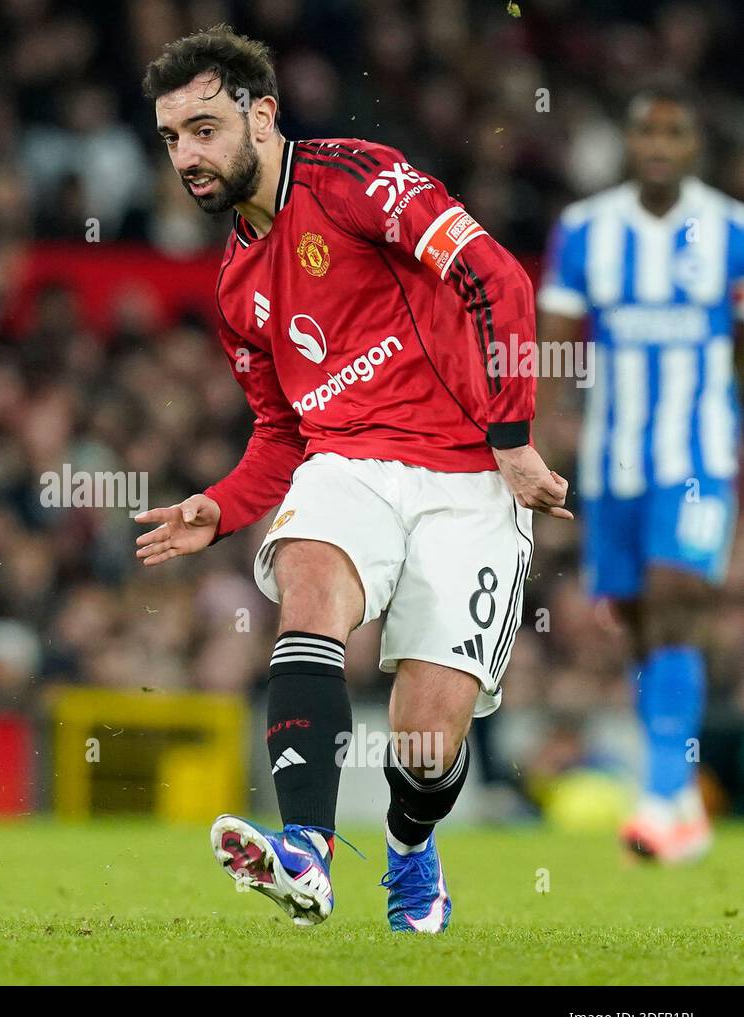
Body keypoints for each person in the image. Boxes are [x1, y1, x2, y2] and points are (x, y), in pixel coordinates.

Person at [134, 25, 570, 932]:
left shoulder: (358, 179)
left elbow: (498, 279)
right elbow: (281, 434)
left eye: (206, 129)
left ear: (262, 115)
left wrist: (513, 437)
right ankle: (307, 853)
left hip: (468, 479)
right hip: (349, 466)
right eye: (173, 137)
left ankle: (412, 852)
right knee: (310, 582)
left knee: (422, 746)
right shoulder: (235, 287)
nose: (187, 156)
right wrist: (222, 507)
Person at [537, 88, 744, 864]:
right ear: (628, 142)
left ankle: (660, 793)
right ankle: (682, 792)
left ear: (696, 145)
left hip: (697, 454)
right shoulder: (587, 229)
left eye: (675, 131)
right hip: (613, 456)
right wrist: (533, 436)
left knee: (674, 593)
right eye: (646, 132)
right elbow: (556, 338)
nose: (659, 144)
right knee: (631, 614)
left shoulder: (732, 228)